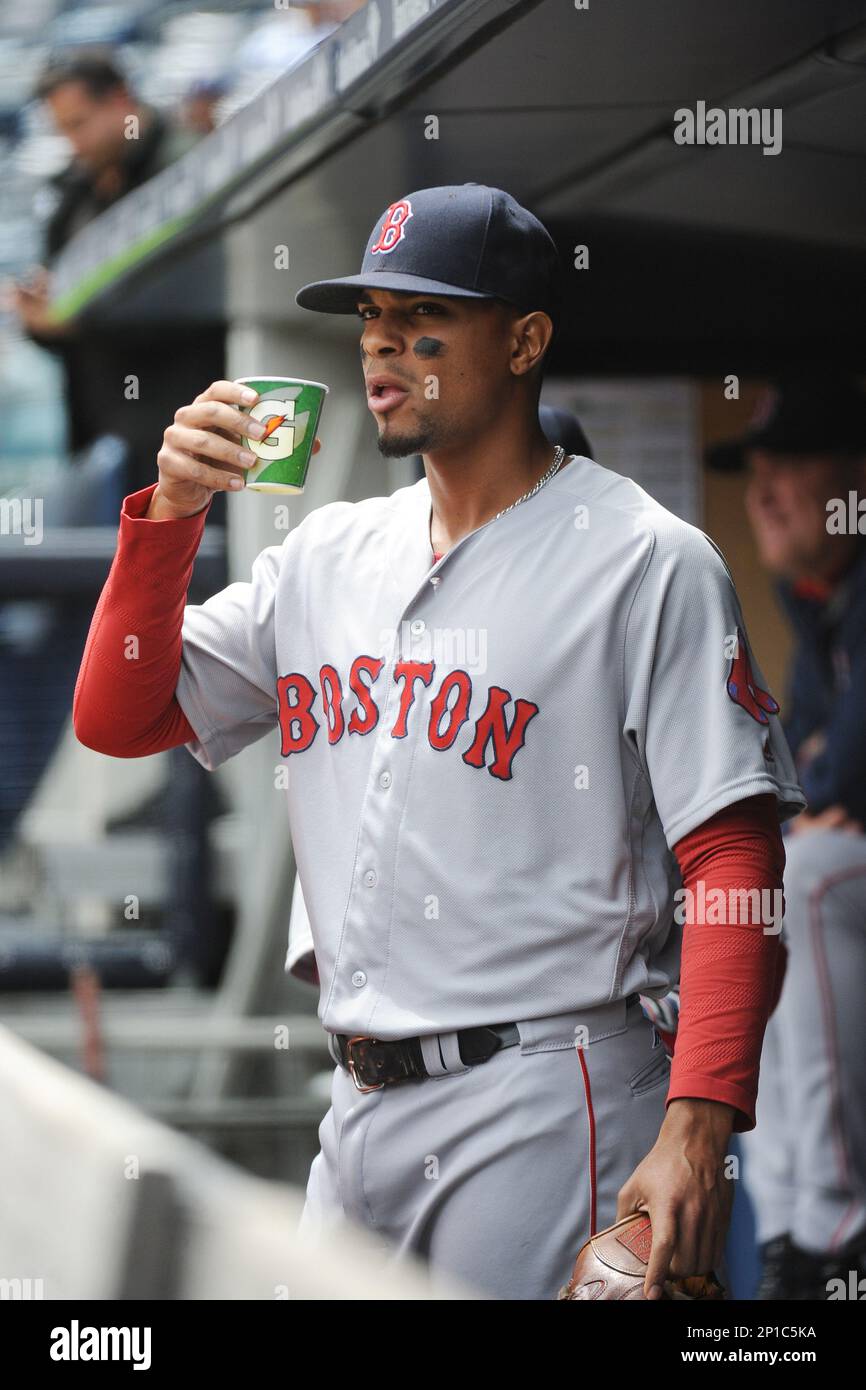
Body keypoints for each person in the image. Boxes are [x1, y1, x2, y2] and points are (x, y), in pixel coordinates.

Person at [72, 184, 806, 1300]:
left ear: (522, 340)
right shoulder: (326, 554)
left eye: (424, 317)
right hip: (354, 1099)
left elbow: (732, 860)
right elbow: (120, 716)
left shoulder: (645, 559)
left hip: (543, 1086)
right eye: (369, 314)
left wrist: (698, 1128)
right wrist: (168, 518)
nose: (378, 340)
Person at [707, 374, 866, 1298]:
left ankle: (836, 1230)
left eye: (792, 466)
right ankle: (787, 1237)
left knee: (802, 877)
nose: (763, 492)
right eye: (755, 469)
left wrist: (828, 793)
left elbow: (836, 774)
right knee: (754, 882)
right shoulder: (820, 607)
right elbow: (805, 787)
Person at [8, 49, 225, 499]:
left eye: (79, 123)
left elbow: (197, 296)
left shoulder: (188, 167)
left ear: (120, 100)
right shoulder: (73, 188)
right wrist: (41, 322)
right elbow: (63, 317)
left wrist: (80, 321)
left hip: (183, 419)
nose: (73, 142)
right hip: (100, 425)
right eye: (62, 128)